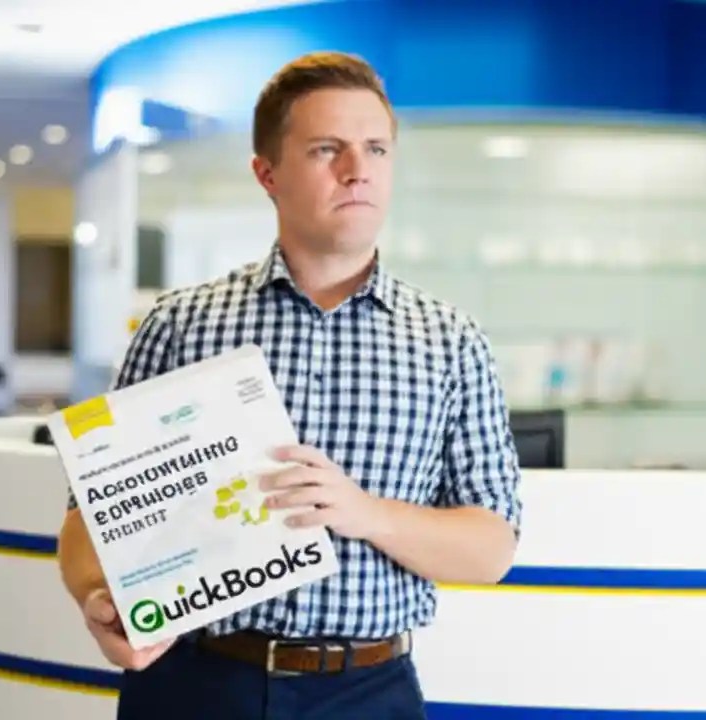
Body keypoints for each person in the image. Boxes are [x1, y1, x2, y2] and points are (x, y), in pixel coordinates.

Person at [56, 51, 523, 719]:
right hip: (194, 683)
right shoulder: (182, 326)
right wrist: (98, 599)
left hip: (367, 692)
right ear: (267, 173)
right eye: (327, 149)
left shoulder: (451, 343)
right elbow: (86, 520)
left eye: (376, 149)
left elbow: (491, 547)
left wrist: (365, 512)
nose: (358, 170)